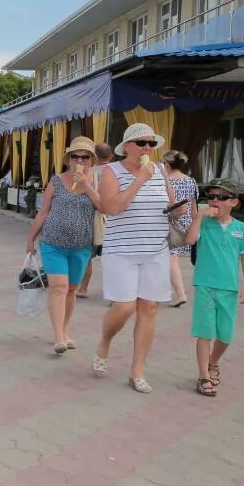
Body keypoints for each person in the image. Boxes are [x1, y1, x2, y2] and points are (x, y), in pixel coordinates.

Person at [91, 123, 186, 394]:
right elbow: (111, 208)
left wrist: (180, 210)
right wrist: (139, 180)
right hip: (121, 250)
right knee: (123, 307)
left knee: (149, 309)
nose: (147, 149)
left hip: (155, 250)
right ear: (127, 146)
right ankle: (104, 344)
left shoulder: (159, 171)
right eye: (142, 143)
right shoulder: (112, 171)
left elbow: (169, 206)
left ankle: (137, 371)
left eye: (151, 144)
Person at [25, 137, 102, 354]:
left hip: (81, 245)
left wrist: (86, 185)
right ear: (68, 158)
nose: (79, 160)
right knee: (58, 287)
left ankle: (65, 330)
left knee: (71, 290)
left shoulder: (96, 181)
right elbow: (44, 211)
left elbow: (104, 207)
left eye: (84, 157)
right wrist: (31, 238)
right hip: (53, 243)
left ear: (92, 160)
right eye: (75, 156)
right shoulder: (56, 181)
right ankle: (58, 336)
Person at [185, 178, 244, 397]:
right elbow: (190, 240)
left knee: (226, 336)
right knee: (204, 332)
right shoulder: (204, 223)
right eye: (211, 197)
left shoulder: (242, 229)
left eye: (221, 197)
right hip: (205, 285)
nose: (215, 201)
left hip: (229, 289)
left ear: (233, 202)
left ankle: (213, 362)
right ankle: (204, 375)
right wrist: (198, 216)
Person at [76, 142, 113, 298]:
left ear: (94, 157)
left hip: (90, 220)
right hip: (113, 221)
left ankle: (83, 288)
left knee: (86, 257)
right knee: (112, 259)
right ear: (111, 156)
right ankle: (113, 292)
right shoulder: (117, 171)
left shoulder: (88, 173)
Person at [163, 149, 199, 308]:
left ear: (167, 165)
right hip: (185, 225)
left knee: (171, 258)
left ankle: (180, 294)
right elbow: (194, 208)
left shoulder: (163, 181)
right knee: (170, 258)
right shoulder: (190, 181)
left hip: (168, 223)